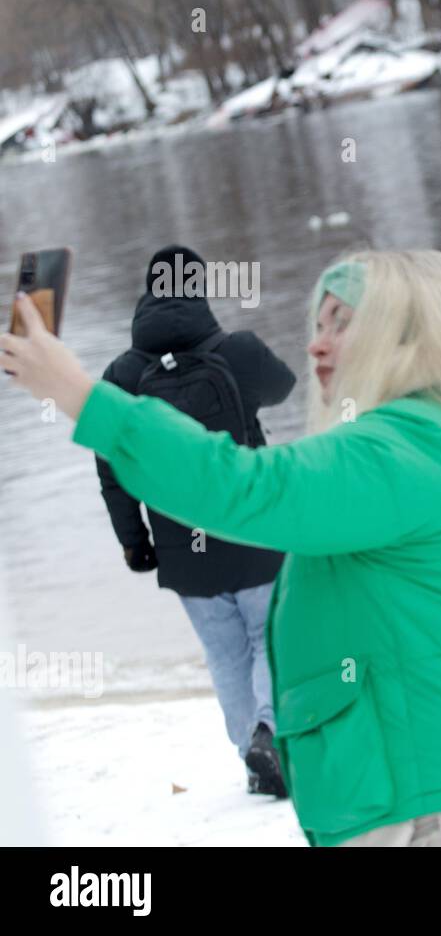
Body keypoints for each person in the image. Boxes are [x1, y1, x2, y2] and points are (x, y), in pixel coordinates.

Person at [2, 250, 441, 847]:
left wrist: (79, 395)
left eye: (344, 324)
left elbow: (245, 486)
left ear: (414, 340)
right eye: (318, 324)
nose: (317, 344)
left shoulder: (407, 445)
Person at [98, 244, 295, 797]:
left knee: (226, 653)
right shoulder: (235, 351)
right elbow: (285, 386)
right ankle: (270, 739)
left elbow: (112, 475)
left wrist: (135, 546)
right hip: (254, 529)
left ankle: (253, 755)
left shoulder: (120, 376)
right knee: (269, 639)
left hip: (185, 550)